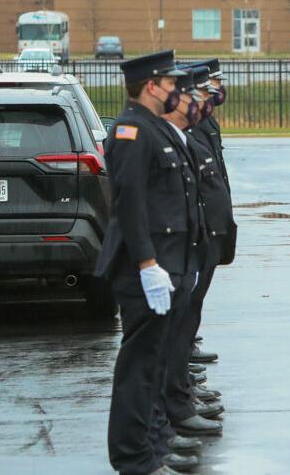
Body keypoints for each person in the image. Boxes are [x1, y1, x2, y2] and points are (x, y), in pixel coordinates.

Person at [94, 51, 202, 475]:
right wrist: (146, 263)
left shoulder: (156, 128)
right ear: (152, 85)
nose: (178, 90)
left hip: (168, 265)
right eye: (171, 83)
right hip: (147, 269)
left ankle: (153, 451)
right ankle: (134, 459)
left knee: (155, 365)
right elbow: (131, 203)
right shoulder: (131, 131)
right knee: (138, 370)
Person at [161, 66, 228, 441]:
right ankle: (163, 426)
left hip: (192, 245)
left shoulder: (187, 133)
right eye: (198, 92)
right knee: (157, 348)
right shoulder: (143, 135)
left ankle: (179, 397)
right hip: (166, 255)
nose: (208, 97)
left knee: (183, 326)